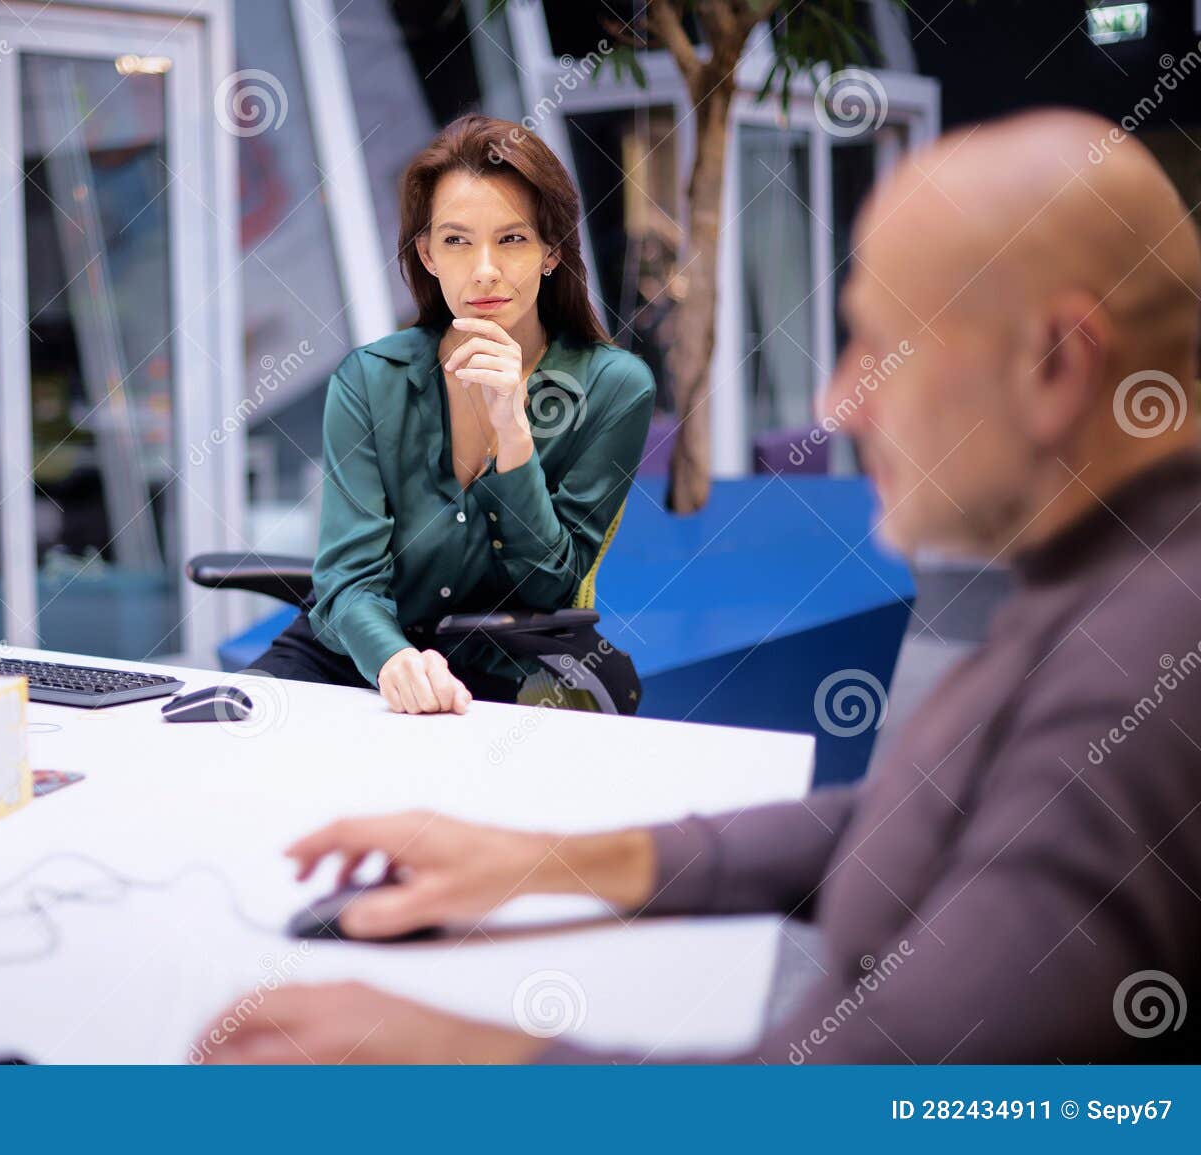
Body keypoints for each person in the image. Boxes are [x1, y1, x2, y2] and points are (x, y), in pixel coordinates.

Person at [195, 110, 1201, 1063]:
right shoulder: (1103, 597)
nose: (836, 402)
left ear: (1056, 365)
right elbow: (904, 819)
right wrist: (536, 861)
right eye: (455, 241)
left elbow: (878, 1101)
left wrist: (468, 1053)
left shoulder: (1141, 679)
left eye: (882, 345)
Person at [251, 114, 655, 715]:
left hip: (494, 669)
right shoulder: (370, 379)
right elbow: (348, 574)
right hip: (352, 654)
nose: (484, 269)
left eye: (512, 239)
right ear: (428, 255)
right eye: (457, 241)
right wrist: (393, 658)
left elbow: (549, 587)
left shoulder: (613, 387)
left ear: (551, 252)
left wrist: (513, 434)